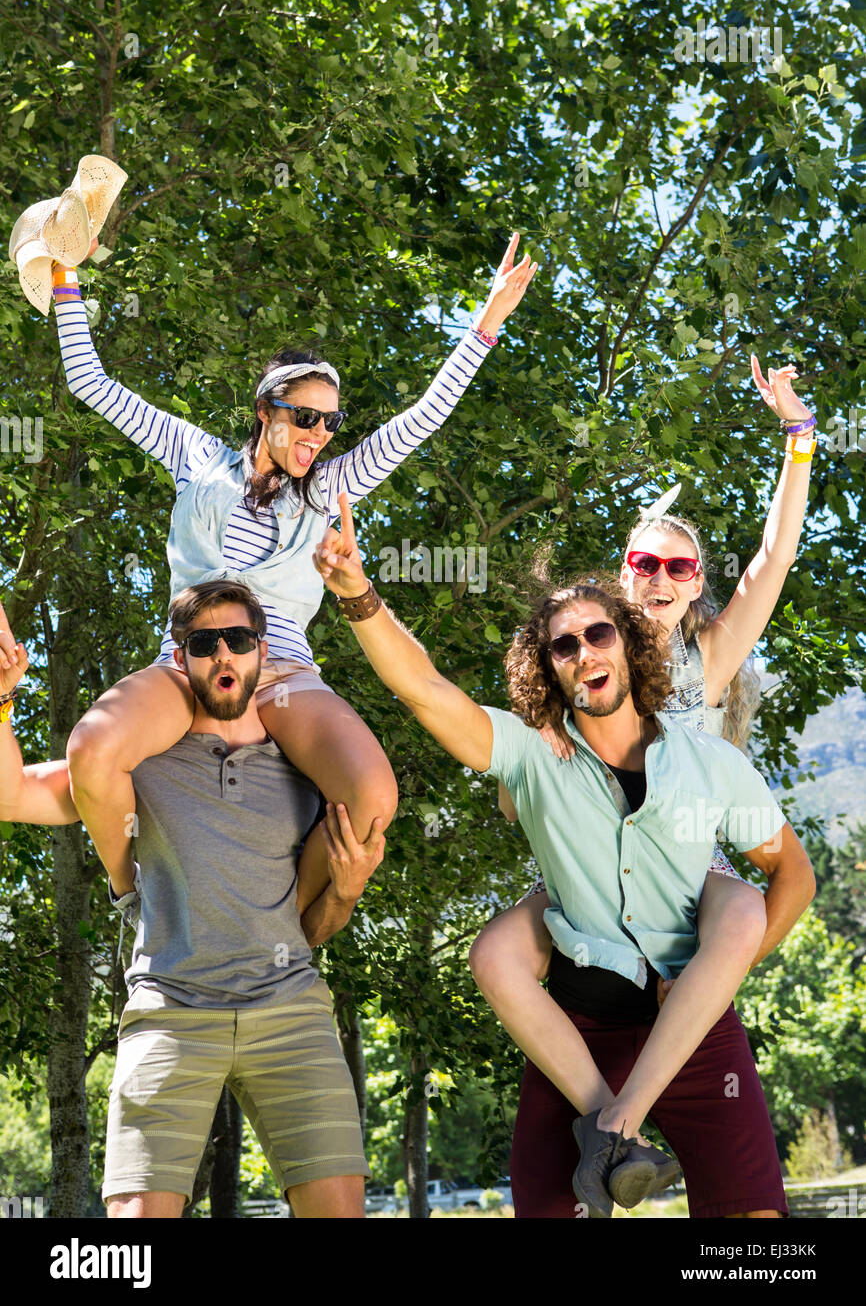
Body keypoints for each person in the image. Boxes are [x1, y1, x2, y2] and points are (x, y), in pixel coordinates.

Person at [310, 496, 816, 1217]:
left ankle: (613, 1131)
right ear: (547, 669)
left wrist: (731, 962)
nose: (583, 652)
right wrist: (358, 594)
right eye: (562, 645)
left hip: (696, 1025)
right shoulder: (530, 754)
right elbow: (422, 690)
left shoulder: (709, 764)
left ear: (630, 642)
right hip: (579, 1029)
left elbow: (793, 874)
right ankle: (611, 1125)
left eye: (598, 633)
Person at [44, 224, 537, 901]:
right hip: (187, 661)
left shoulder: (331, 484)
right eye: (304, 417)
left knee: (370, 800)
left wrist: (485, 325)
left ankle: (293, 925)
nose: (319, 435)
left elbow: (420, 420)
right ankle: (133, 892)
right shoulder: (195, 455)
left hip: (281, 670)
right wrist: (64, 274)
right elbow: (89, 380)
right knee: (90, 752)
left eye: (331, 423)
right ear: (264, 410)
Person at [473, 357, 816, 1137]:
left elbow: (775, 557)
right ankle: (605, 1120)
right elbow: (510, 779)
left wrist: (798, 436)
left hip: (689, 865)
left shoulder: (708, 659)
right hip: (591, 870)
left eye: (679, 565)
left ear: (697, 584)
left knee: (739, 919)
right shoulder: (577, 664)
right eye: (643, 562)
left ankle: (657, 1064)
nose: (660, 575)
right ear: (623, 580)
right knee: (497, 951)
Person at [0, 582, 385, 1218]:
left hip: (288, 1006)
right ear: (179, 660)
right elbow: (11, 795)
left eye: (239, 640)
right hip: (171, 1008)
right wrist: (4, 696)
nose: (224, 655)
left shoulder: (307, 767)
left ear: (263, 653)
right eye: (205, 644)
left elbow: (313, 927)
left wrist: (345, 892)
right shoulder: (137, 762)